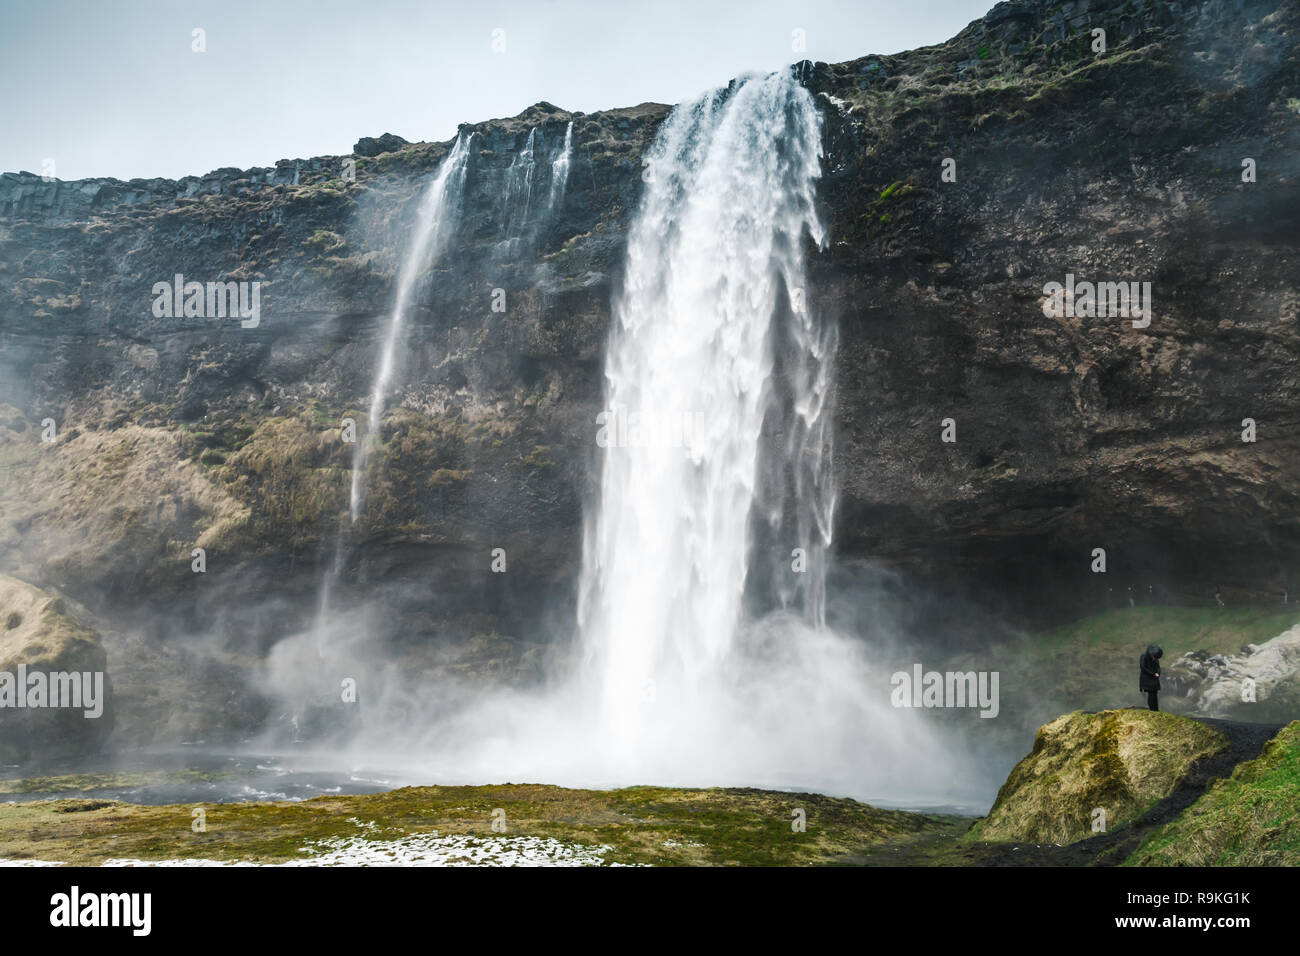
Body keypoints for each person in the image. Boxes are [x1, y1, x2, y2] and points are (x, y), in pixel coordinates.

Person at [1140, 643, 1163, 711]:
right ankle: (1152, 709)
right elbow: (1143, 667)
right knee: (1151, 694)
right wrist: (1153, 674)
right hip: (1147, 679)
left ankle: (1155, 709)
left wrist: (1158, 673)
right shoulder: (1143, 657)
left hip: (1154, 679)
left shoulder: (1155, 658)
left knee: (1154, 694)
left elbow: (1158, 667)